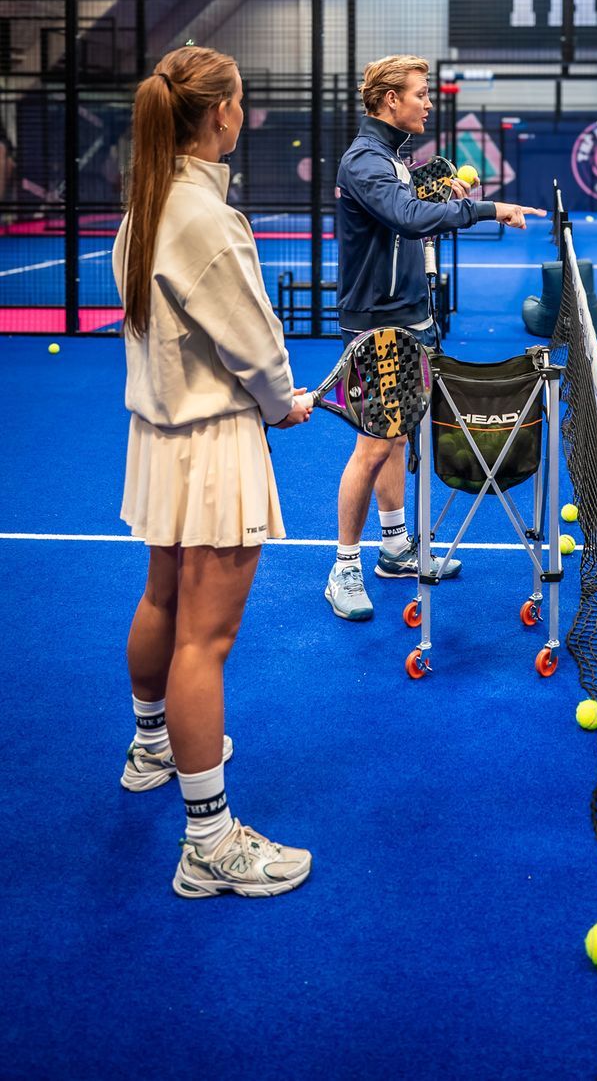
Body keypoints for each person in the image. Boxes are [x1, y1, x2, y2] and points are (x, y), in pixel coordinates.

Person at [113, 45, 313, 898]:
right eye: (240, 101)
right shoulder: (204, 218)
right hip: (212, 440)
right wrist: (282, 402)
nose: (244, 112)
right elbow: (256, 346)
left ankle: (152, 743)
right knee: (207, 640)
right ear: (221, 113)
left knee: (163, 599)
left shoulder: (145, 205)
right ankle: (210, 844)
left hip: (159, 438)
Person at [327, 54, 544, 622]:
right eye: (420, 93)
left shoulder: (394, 158)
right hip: (376, 321)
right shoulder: (365, 160)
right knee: (374, 443)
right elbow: (406, 215)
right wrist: (487, 208)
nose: (428, 102)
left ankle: (395, 545)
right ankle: (343, 565)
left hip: (410, 314)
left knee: (398, 439)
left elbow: (409, 200)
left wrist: (437, 186)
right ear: (388, 100)